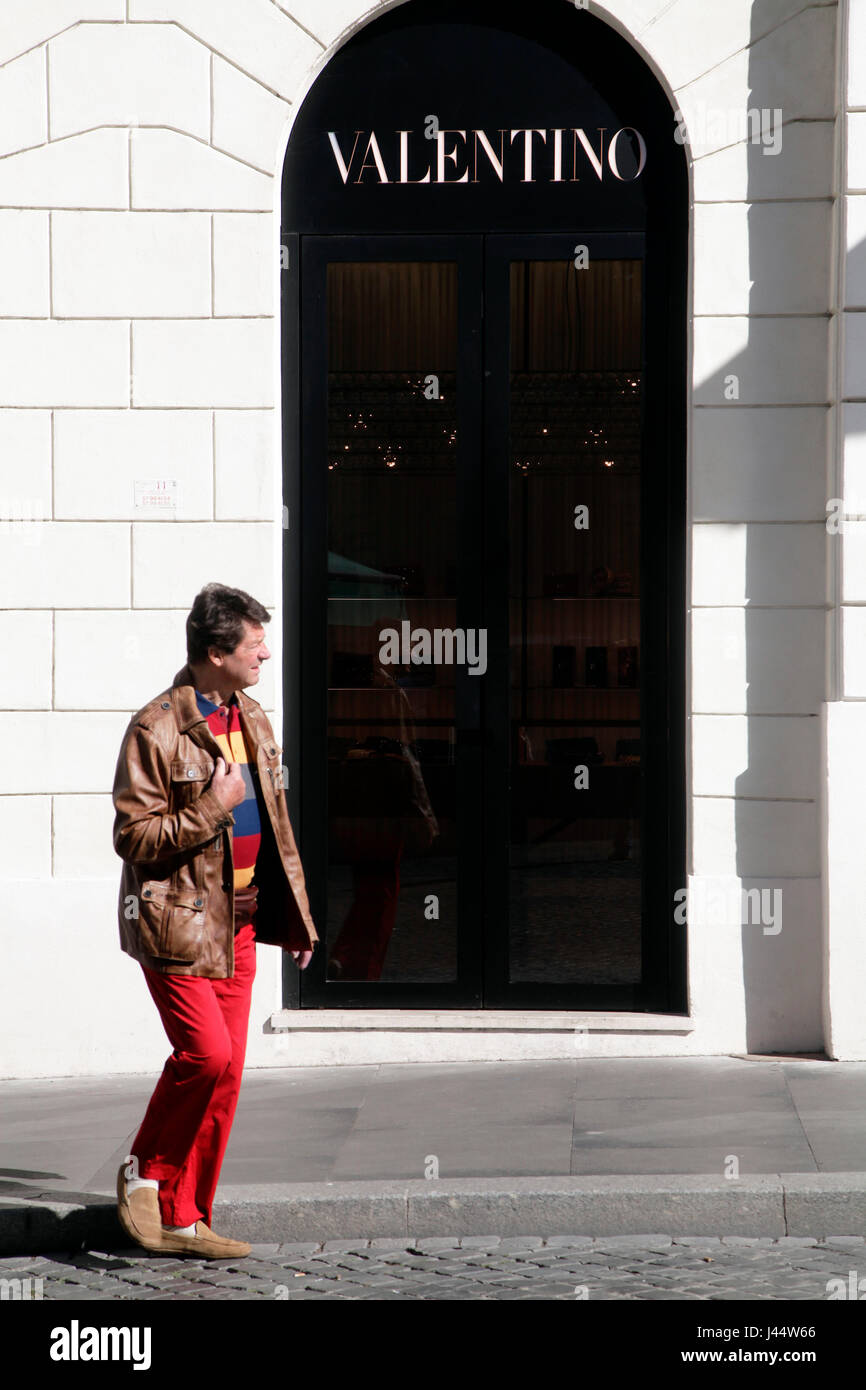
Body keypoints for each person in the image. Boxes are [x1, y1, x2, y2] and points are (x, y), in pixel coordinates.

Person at [111, 582, 317, 1259]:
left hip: (245, 922)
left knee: (226, 1078)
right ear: (215, 652)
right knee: (207, 1055)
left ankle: (185, 1216)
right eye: (254, 645)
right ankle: (145, 1169)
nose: (265, 654)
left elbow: (278, 829)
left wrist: (301, 921)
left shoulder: (253, 716)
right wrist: (213, 806)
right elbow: (134, 836)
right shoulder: (156, 726)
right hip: (177, 923)